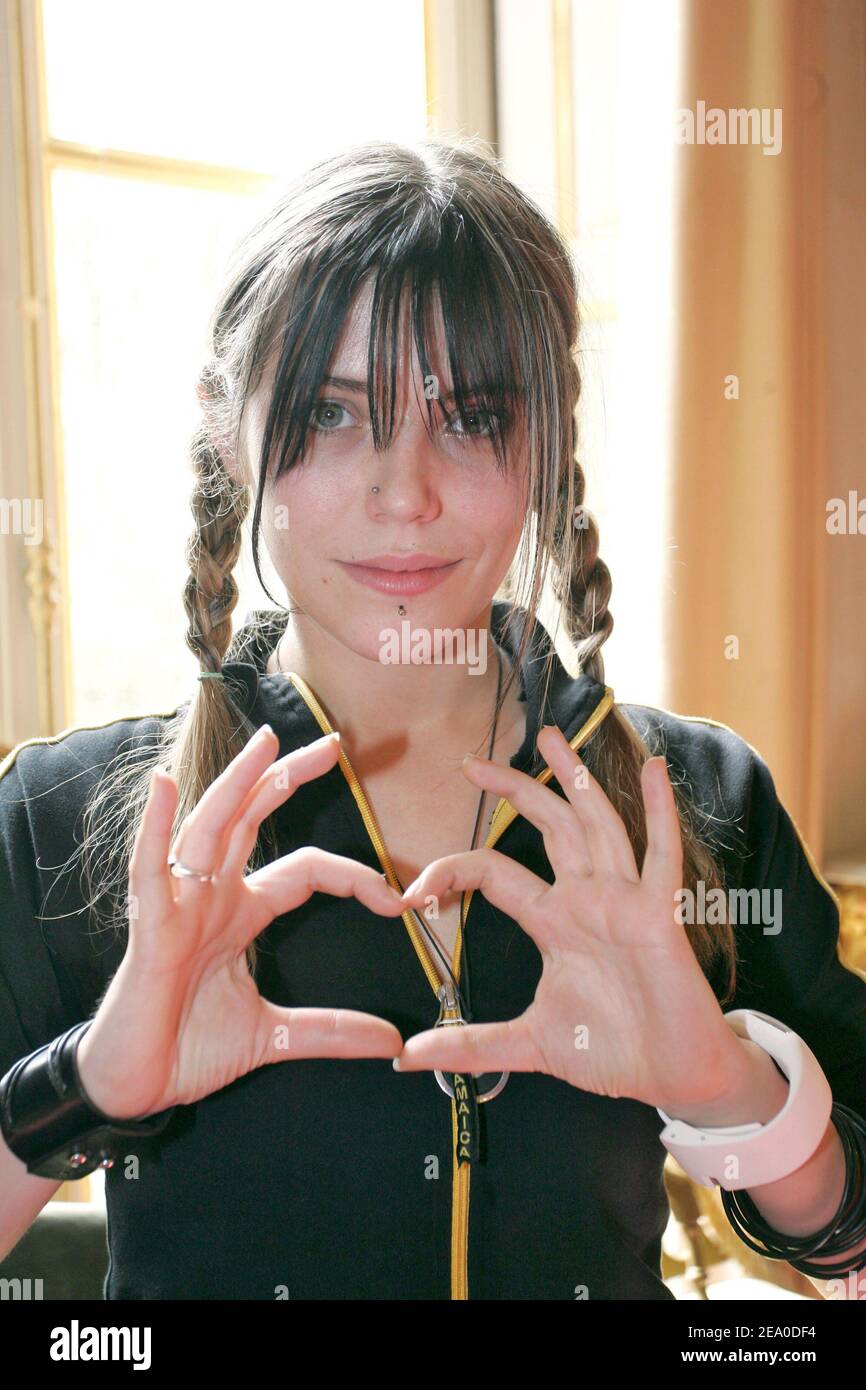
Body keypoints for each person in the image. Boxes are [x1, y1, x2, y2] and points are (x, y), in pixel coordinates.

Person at [1, 136, 865, 1302]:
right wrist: (91, 1084)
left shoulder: (696, 803)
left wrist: (730, 1092)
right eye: (330, 412)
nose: (403, 493)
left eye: (468, 417)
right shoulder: (64, 819)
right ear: (226, 424)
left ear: (546, 437)